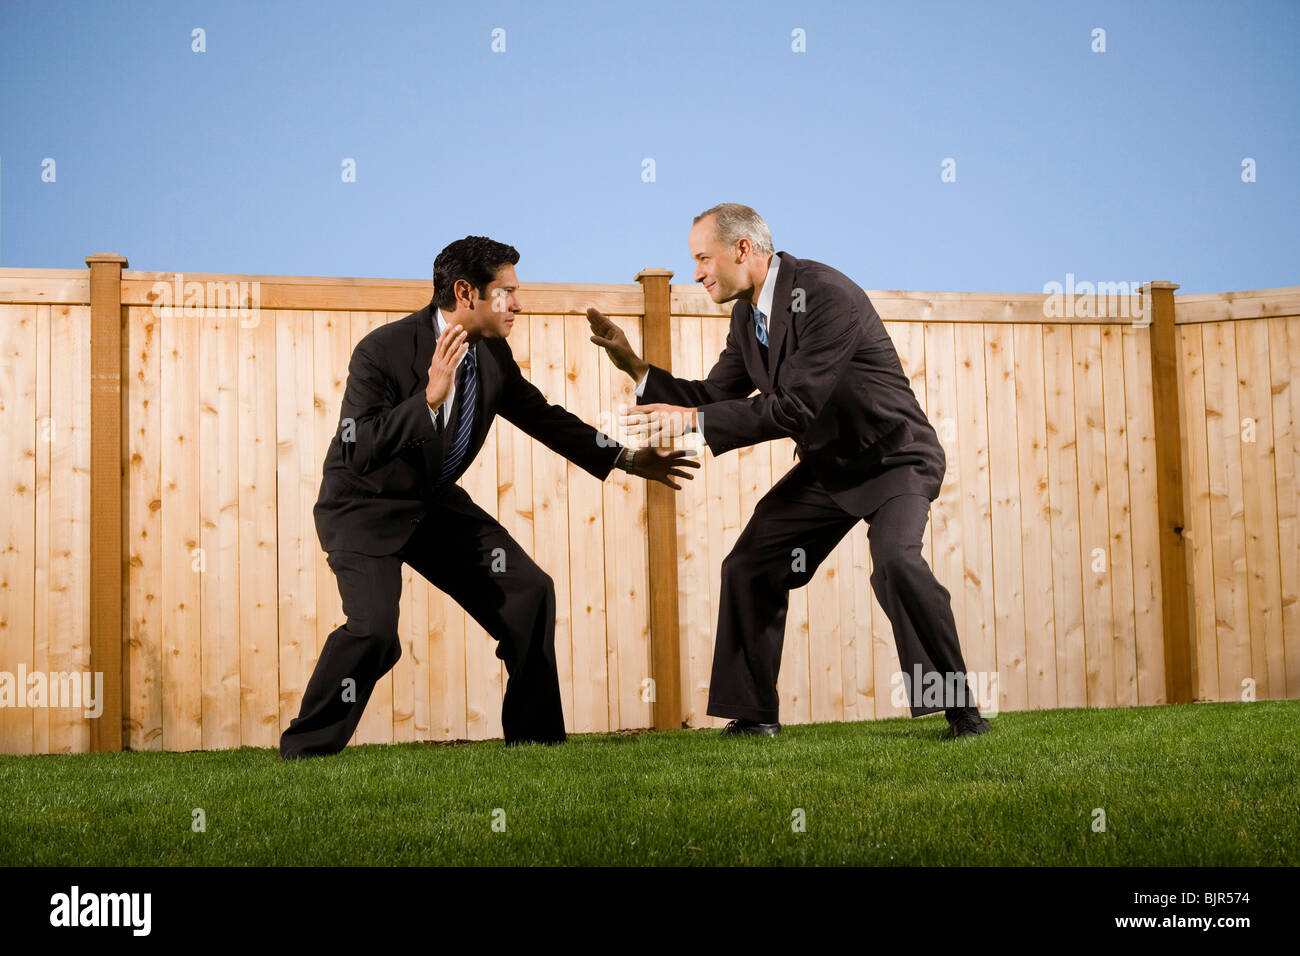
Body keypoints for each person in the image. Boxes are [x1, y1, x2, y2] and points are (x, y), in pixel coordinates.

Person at [280, 236, 698, 759]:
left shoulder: (492, 355)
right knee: (374, 632)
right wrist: (427, 400)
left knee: (529, 594)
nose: (518, 303)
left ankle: (535, 744)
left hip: (432, 505)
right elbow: (356, 444)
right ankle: (305, 749)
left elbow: (540, 415)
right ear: (465, 292)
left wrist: (626, 459)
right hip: (364, 506)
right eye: (506, 292)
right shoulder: (383, 350)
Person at [587, 204, 991, 739]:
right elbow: (713, 396)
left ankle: (962, 712)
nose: (697, 273)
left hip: (894, 457)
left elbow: (794, 406)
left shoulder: (824, 295)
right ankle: (754, 718)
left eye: (703, 258)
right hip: (830, 467)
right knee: (750, 565)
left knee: (895, 560)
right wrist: (636, 367)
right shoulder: (746, 316)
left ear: (743, 249)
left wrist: (692, 421)